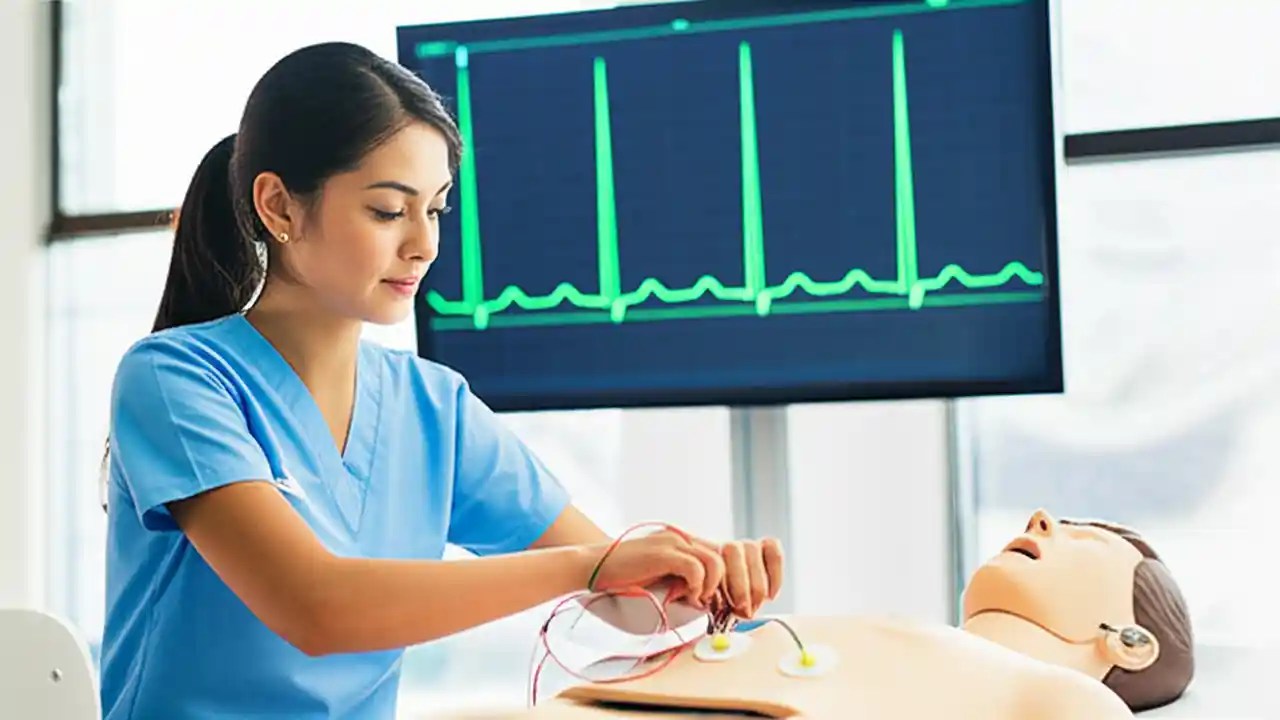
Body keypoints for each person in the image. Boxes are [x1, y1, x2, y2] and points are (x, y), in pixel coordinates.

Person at [99, 41, 784, 720]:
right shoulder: (175, 380)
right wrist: (591, 566)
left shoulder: (433, 408)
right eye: (388, 211)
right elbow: (316, 608)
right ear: (279, 208)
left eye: (436, 209)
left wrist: (697, 578)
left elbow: (620, 600)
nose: (424, 243)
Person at [504, 509, 1193, 719]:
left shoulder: (1065, 701)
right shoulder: (887, 637)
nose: (1042, 519)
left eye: (1085, 538)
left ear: (1130, 644)